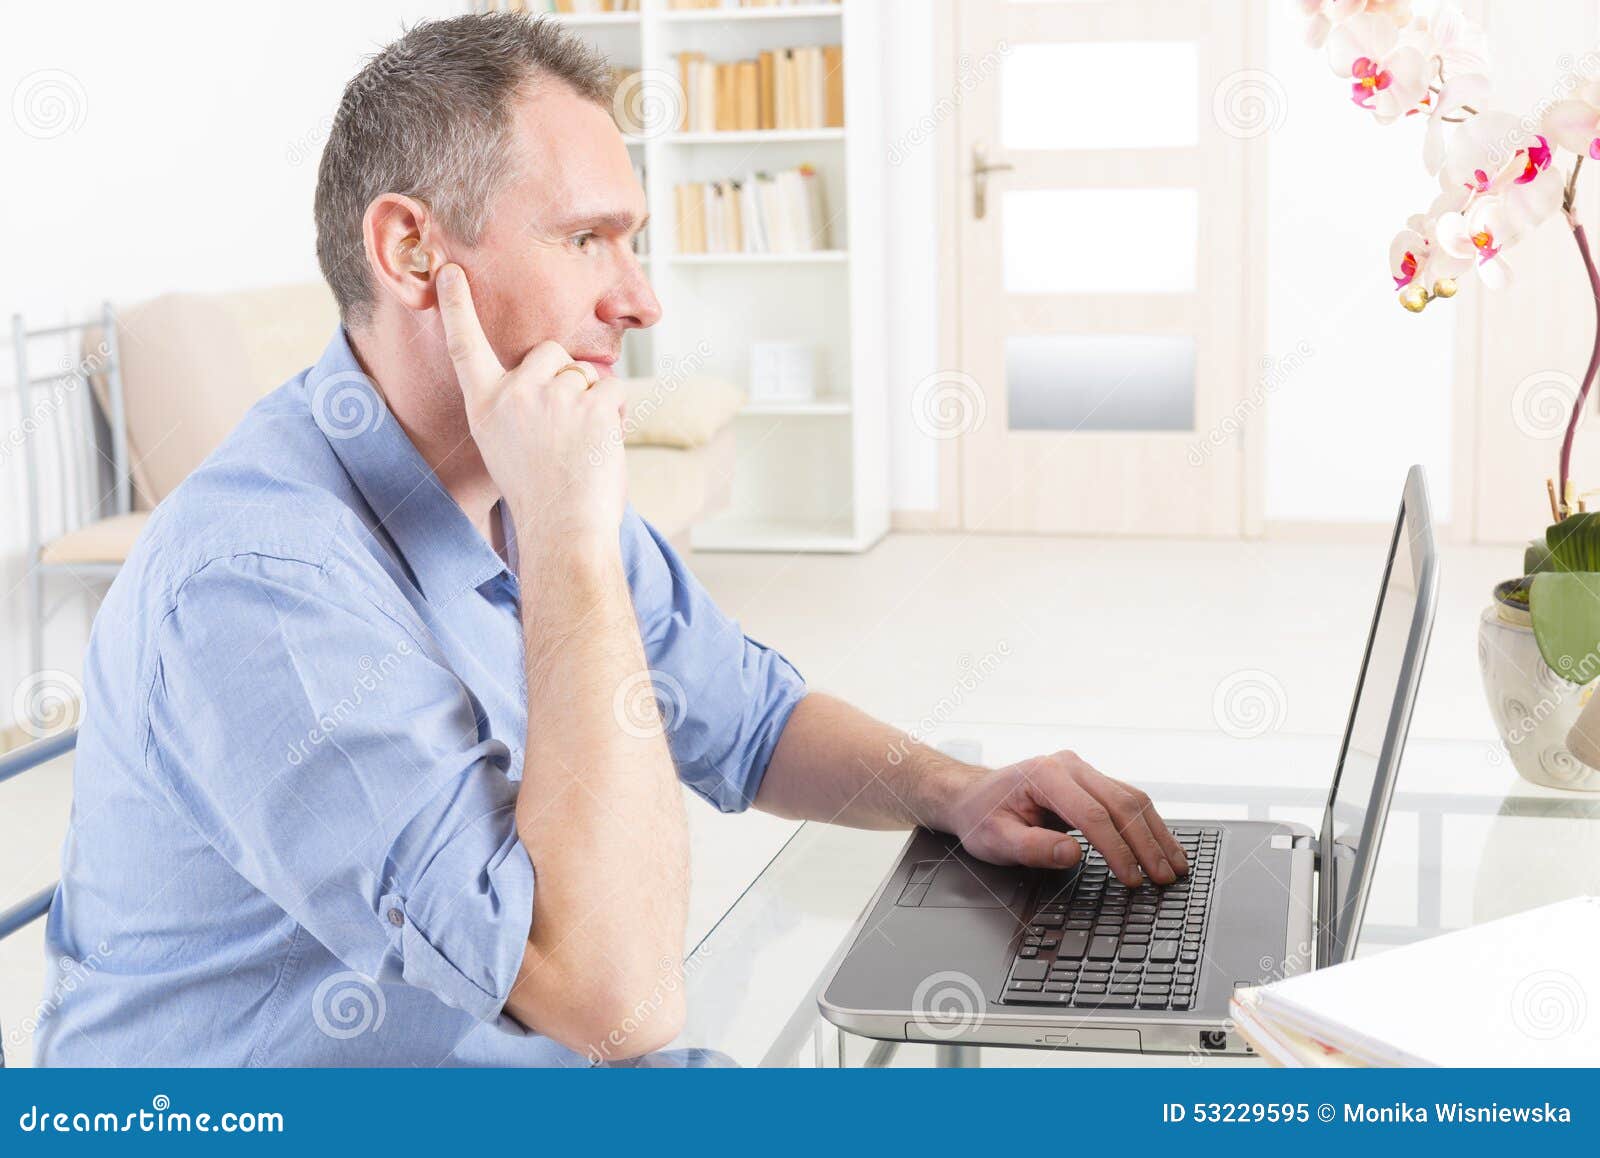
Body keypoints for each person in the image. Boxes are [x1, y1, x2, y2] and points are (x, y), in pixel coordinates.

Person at [35, 13, 1185, 1067]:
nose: (640, 300)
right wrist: (571, 538)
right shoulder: (262, 581)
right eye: (589, 239)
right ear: (412, 253)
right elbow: (616, 1002)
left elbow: (749, 719)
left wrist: (957, 788)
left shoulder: (517, 470)